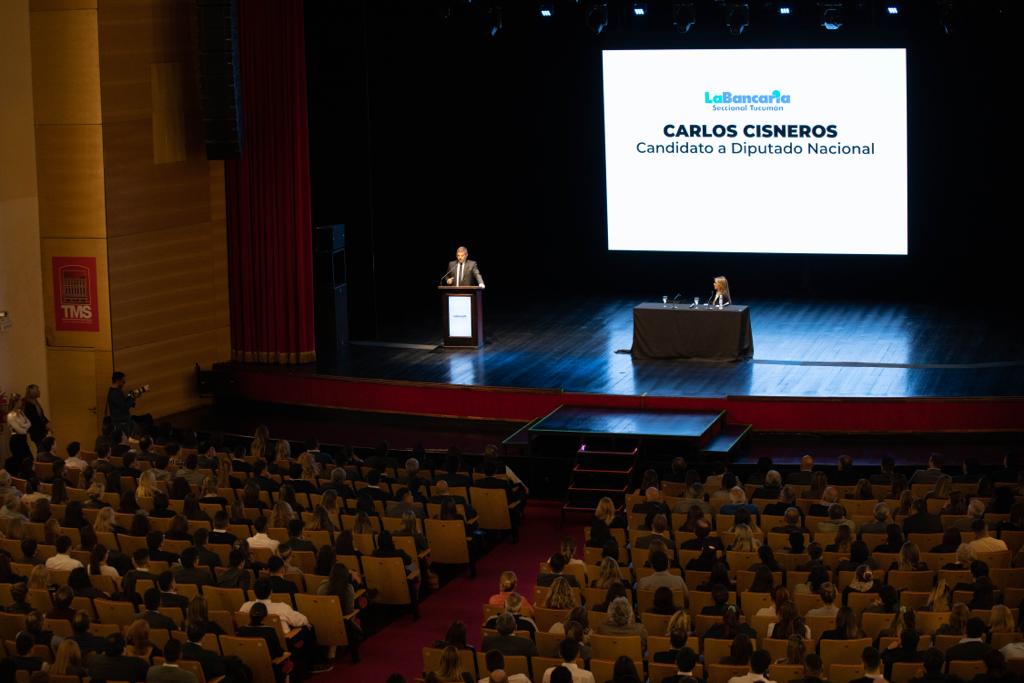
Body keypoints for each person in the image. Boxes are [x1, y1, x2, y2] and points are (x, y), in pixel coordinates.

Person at [5, 395, 34, 474]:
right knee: (20, 461)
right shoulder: (10, 415)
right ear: (15, 402)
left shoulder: (21, 413)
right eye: (20, 401)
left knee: (29, 458)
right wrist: (24, 427)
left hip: (23, 439)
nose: (21, 402)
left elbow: (29, 423)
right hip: (16, 440)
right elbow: (19, 430)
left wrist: (23, 426)